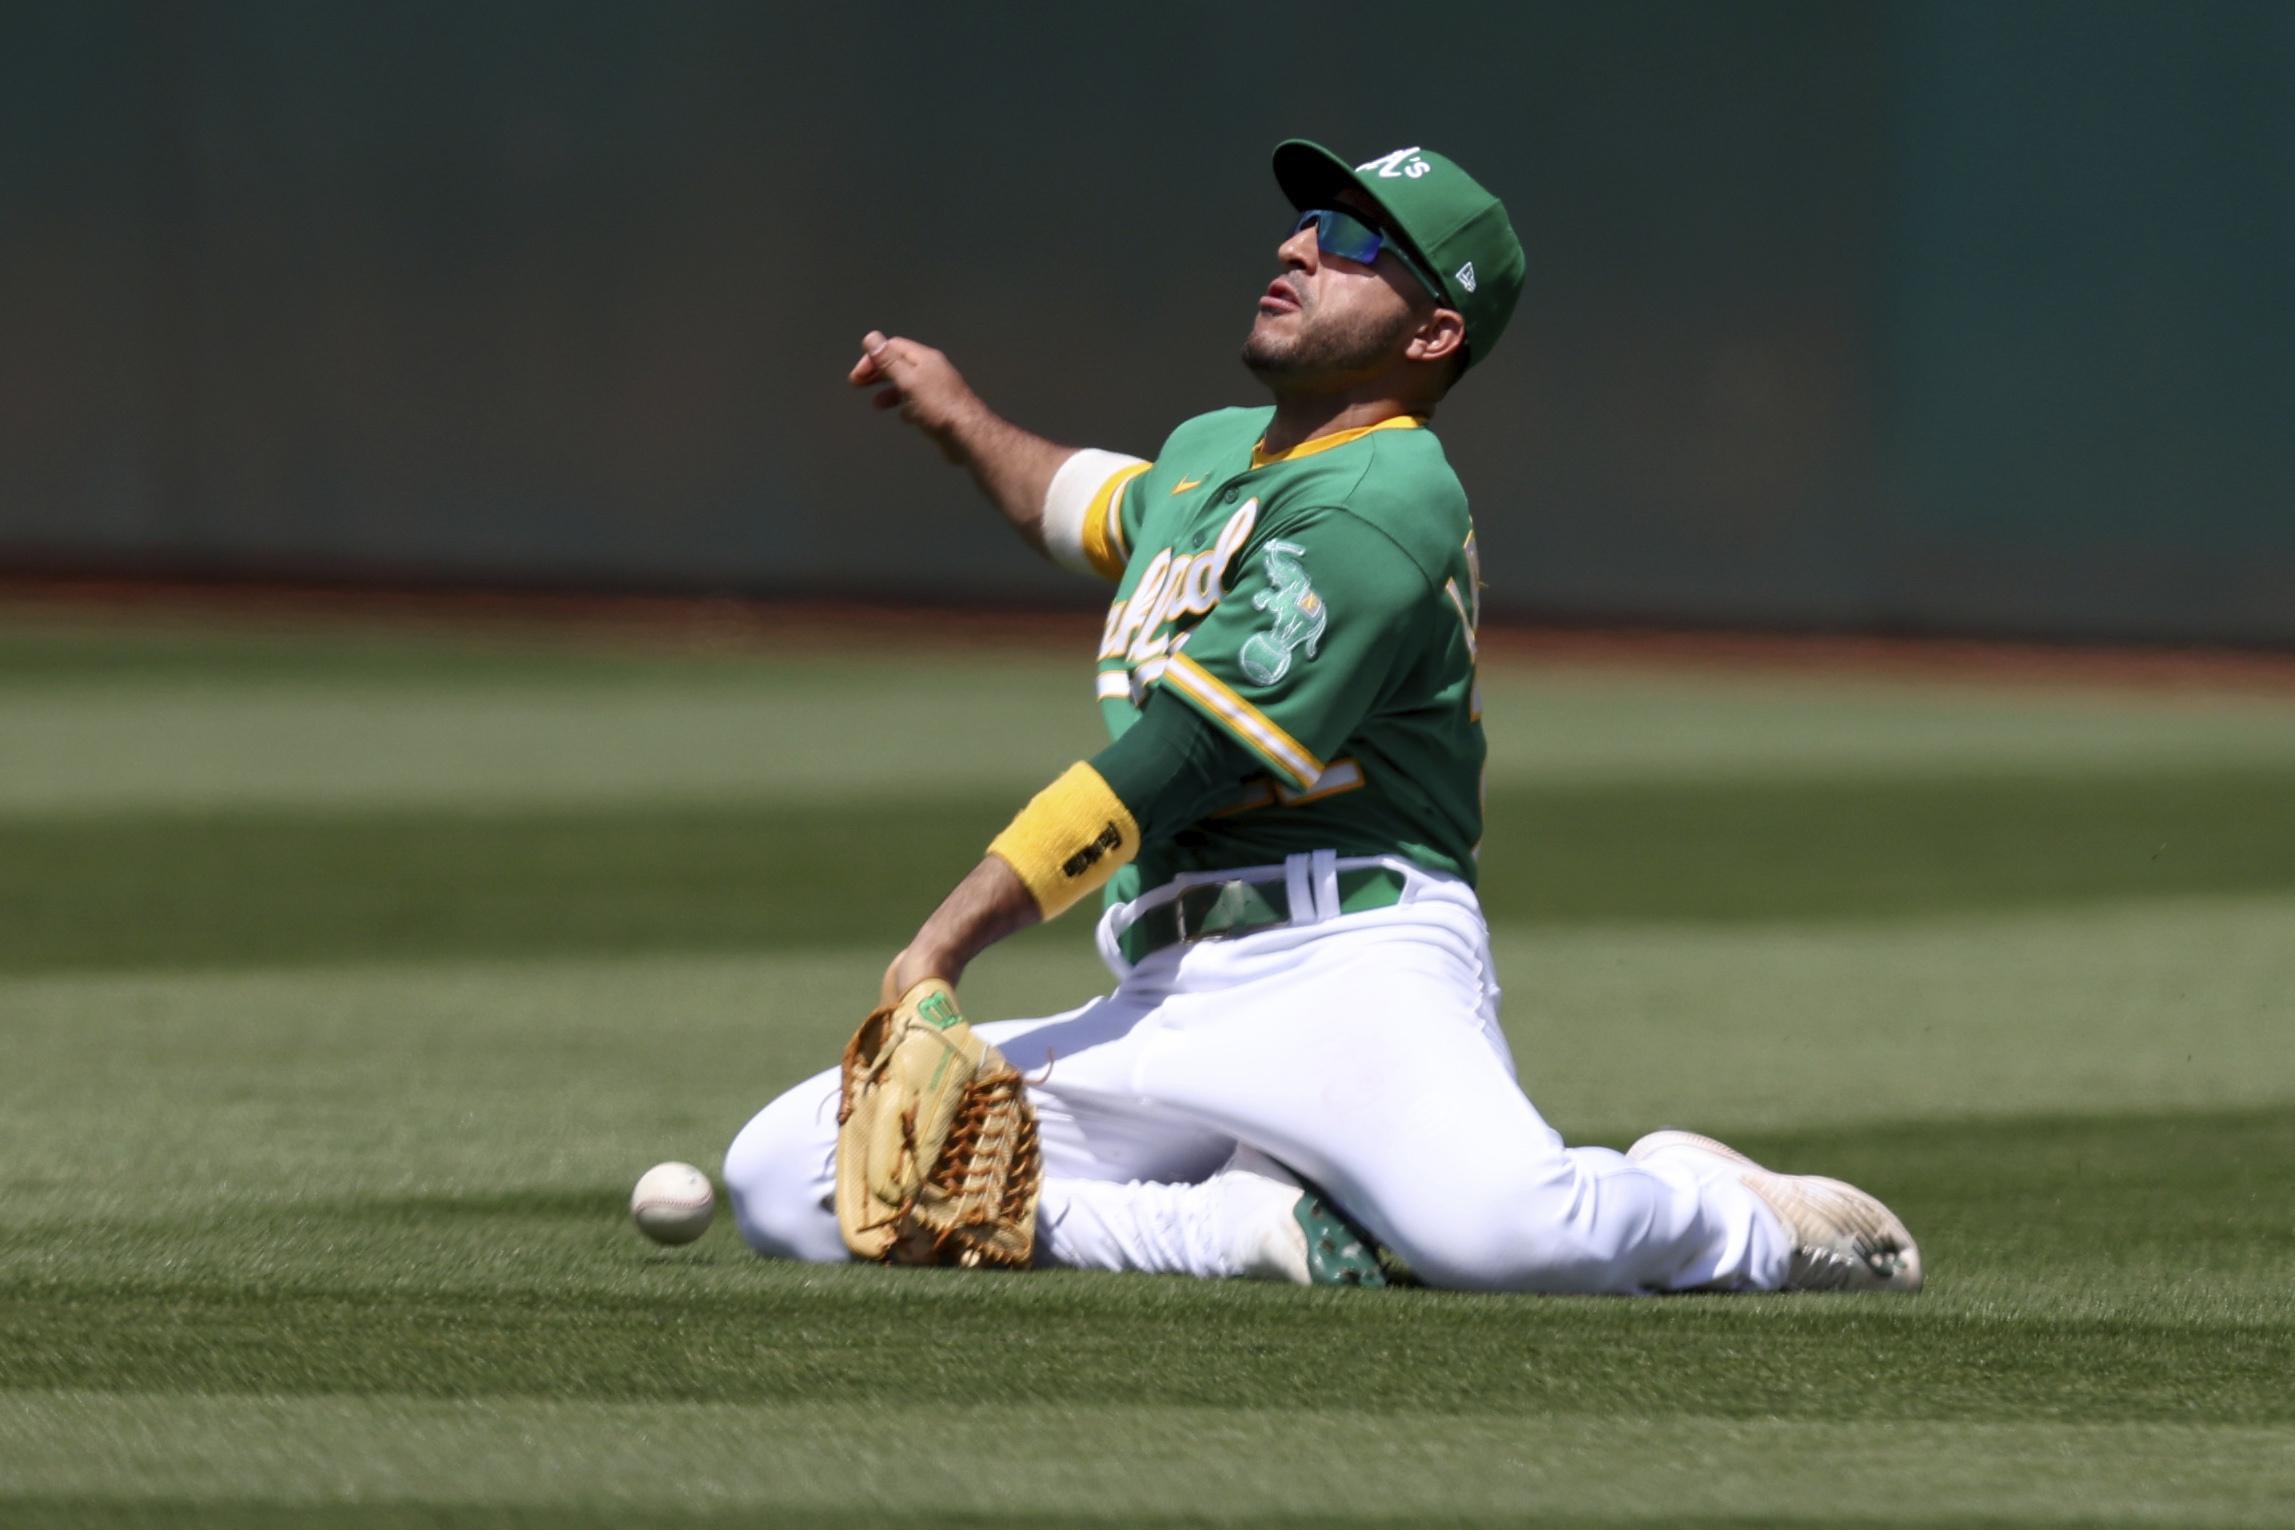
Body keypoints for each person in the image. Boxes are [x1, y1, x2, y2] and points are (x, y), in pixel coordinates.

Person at [722, 141, 1922, 1293]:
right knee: (788, 1178)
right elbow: (1093, 504)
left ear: (1434, 331)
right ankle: (1242, 1224)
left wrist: (942, 946)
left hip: (1349, 973)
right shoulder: (1214, 454)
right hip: (1164, 988)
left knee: (1512, 1238)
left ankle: (1727, 1216)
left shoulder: (1385, 496)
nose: (1299, 244)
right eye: (1307, 217)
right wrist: (959, 418)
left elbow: (1180, 758)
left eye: (1353, 240)